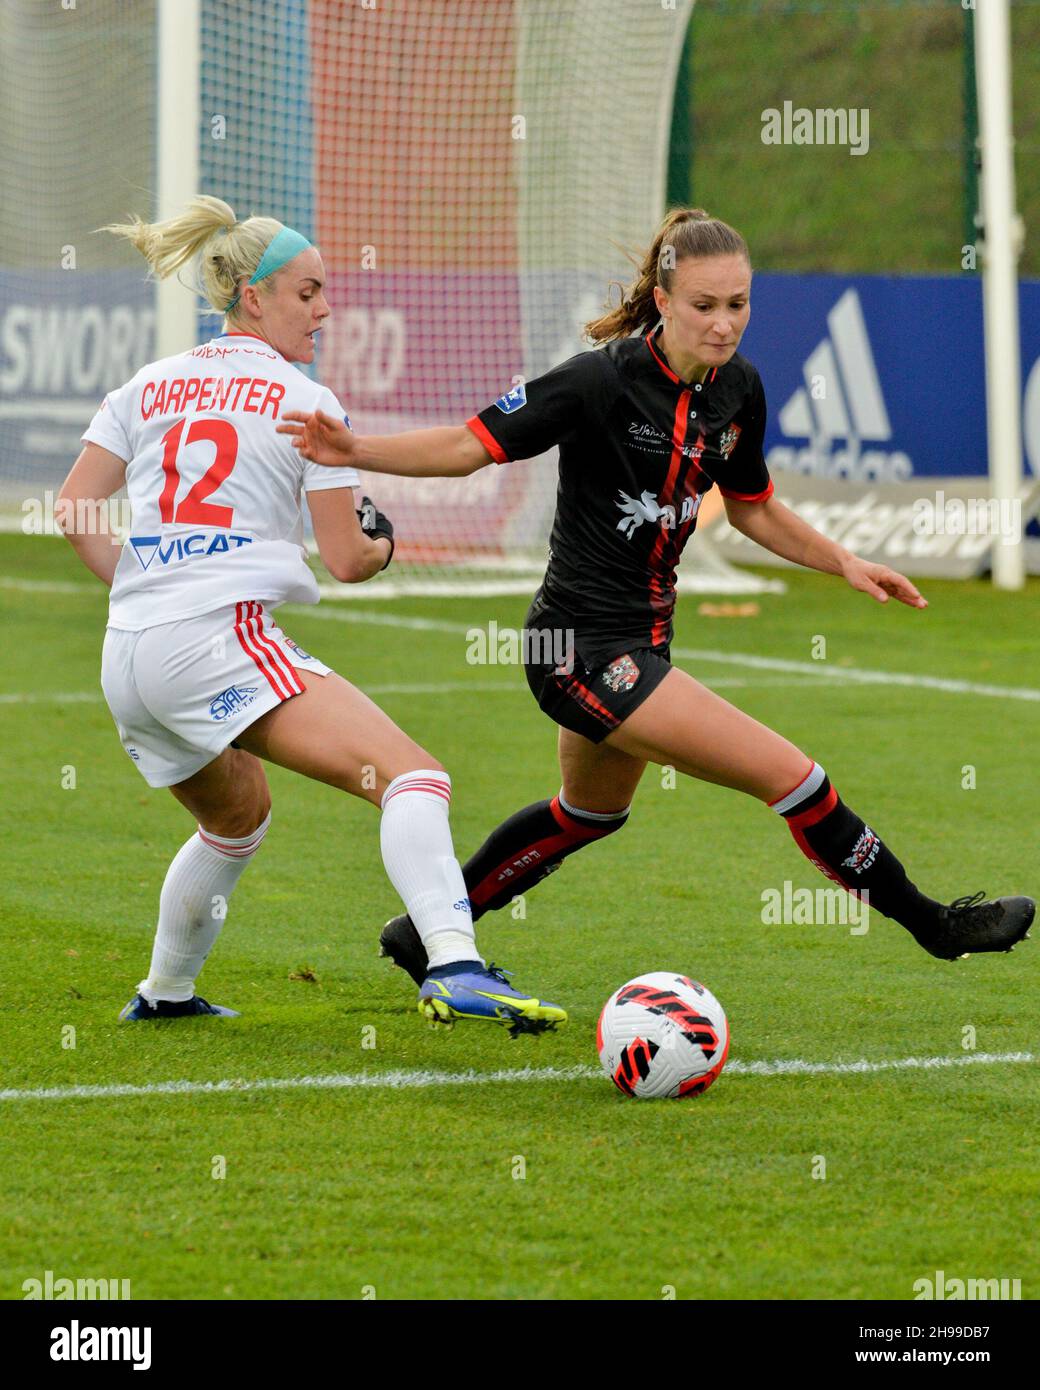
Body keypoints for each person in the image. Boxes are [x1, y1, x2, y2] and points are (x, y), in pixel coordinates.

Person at [277, 207, 1034, 984]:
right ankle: (936, 924)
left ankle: (424, 932)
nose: (723, 323)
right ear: (664, 300)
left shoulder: (737, 390)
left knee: (591, 813)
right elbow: (472, 445)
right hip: (577, 648)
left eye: (737, 304)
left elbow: (753, 506)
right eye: (704, 306)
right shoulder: (597, 380)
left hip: (643, 643)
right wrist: (355, 449)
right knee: (795, 778)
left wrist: (844, 561)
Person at [57, 194, 564, 1034]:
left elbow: (76, 508)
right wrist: (385, 540)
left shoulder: (145, 385)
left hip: (128, 655)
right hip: (213, 641)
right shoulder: (304, 402)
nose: (325, 310)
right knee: (415, 776)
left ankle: (165, 995)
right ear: (253, 296)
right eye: (308, 292)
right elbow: (348, 559)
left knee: (235, 814)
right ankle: (457, 965)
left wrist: (143, 586)